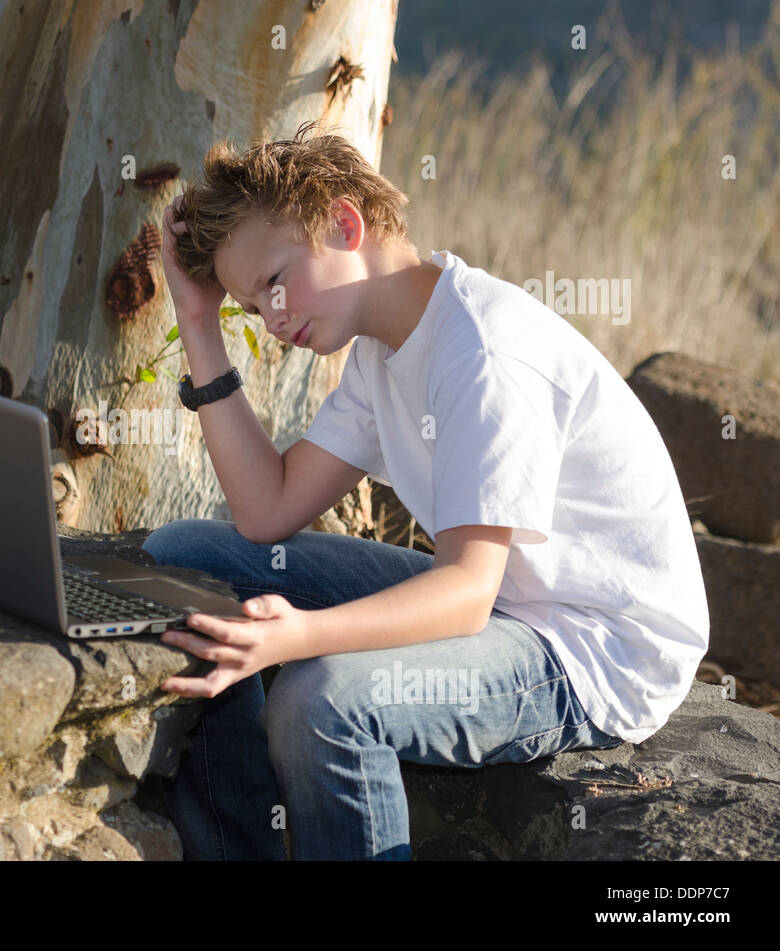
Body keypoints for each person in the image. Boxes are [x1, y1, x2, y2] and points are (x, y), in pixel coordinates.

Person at [143, 119, 710, 861]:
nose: (274, 319)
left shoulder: (481, 348)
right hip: (510, 601)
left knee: (322, 700)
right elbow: (266, 509)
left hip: (590, 648)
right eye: (253, 307)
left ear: (345, 223)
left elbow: (467, 593)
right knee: (180, 557)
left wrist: (299, 635)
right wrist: (197, 320)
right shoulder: (381, 349)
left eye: (275, 284)